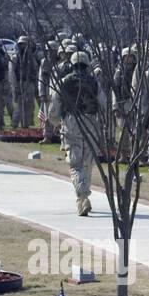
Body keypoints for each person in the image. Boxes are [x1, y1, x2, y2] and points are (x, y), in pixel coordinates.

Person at [49, 50, 104, 216]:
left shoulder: (64, 81)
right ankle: (83, 198)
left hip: (72, 122)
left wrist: (55, 121)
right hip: (90, 122)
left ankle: (82, 196)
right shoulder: (94, 82)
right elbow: (103, 103)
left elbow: (54, 103)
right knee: (87, 163)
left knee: (75, 164)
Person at [11, 36, 40, 128]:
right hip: (19, 83)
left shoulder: (32, 58)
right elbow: (11, 73)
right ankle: (15, 124)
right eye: (22, 44)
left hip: (30, 84)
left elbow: (35, 71)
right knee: (20, 105)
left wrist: (35, 85)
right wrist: (15, 86)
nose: (24, 46)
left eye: (26, 44)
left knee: (30, 105)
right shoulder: (15, 57)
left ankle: (26, 124)